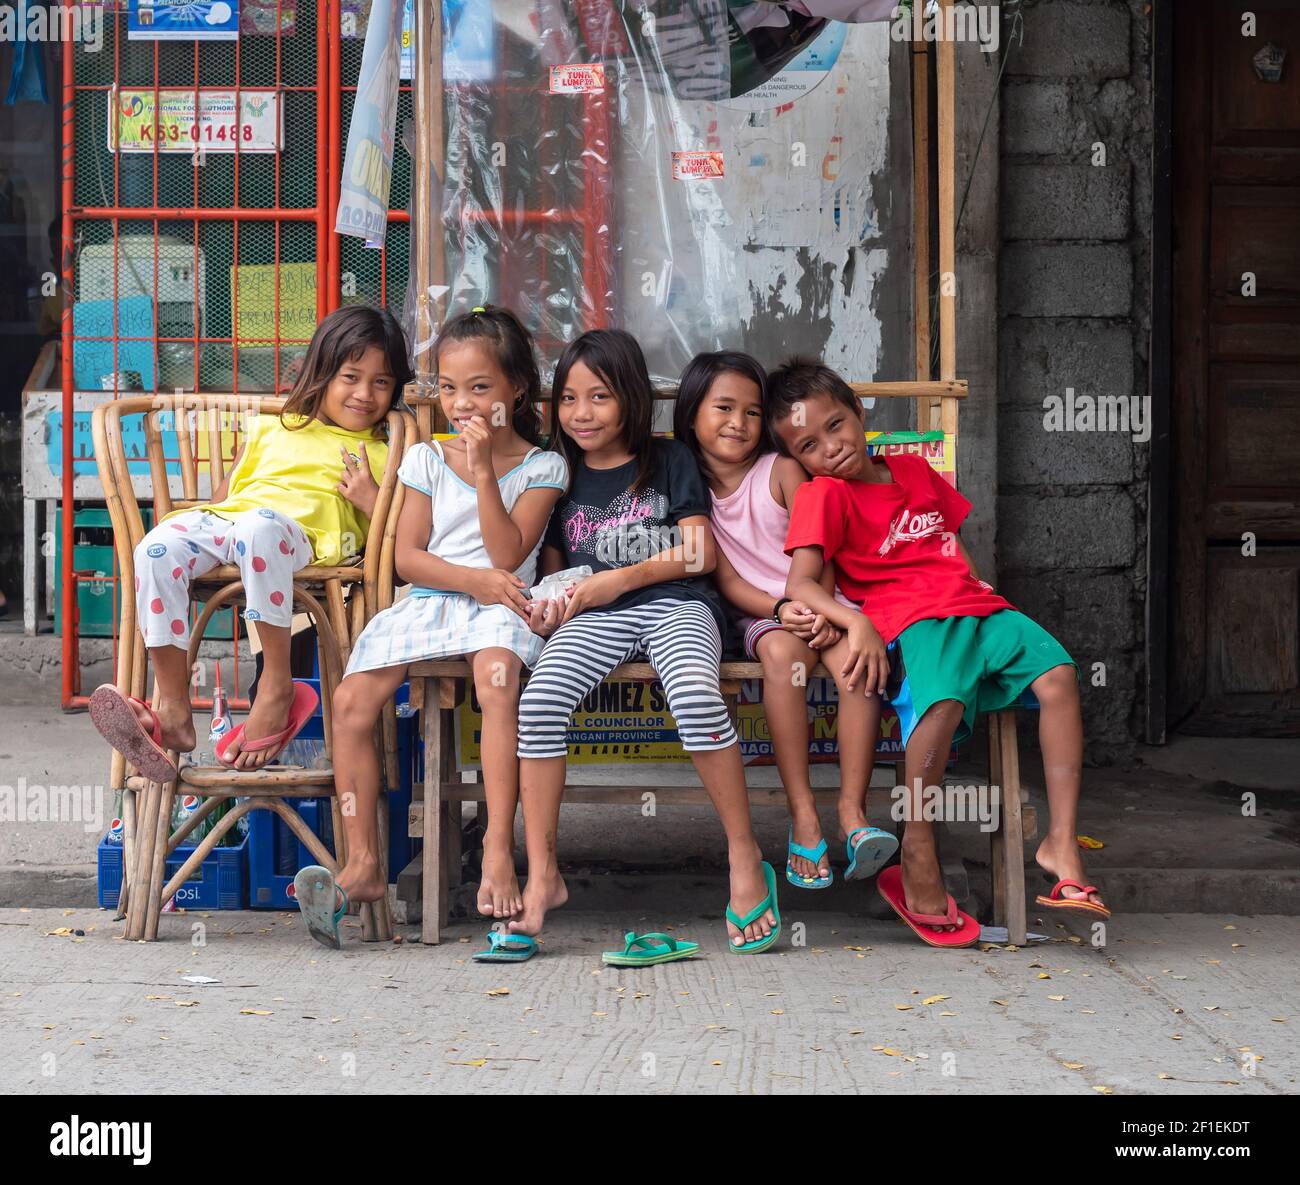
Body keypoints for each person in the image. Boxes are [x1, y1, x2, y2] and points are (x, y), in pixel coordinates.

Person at [771, 358, 1108, 947]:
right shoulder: (823, 496)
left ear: (859, 411)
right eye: (808, 445)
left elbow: (955, 547)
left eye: (835, 425)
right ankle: (917, 841)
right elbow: (800, 584)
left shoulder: (914, 469)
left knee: (1058, 676)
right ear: (797, 459)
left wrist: (983, 595)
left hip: (974, 605)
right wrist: (857, 624)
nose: (830, 447)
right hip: (910, 618)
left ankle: (1061, 841)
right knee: (943, 701)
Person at [294, 305, 568, 948]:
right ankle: (362, 864)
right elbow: (407, 556)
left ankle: (499, 849)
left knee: (498, 681)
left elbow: (506, 556)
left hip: (505, 605)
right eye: (448, 388)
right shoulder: (422, 459)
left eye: (480, 388)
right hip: (436, 597)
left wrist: (480, 475)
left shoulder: (543, 467)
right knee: (351, 700)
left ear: (516, 389)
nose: (462, 403)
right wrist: (468, 579)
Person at [508, 329, 780, 953]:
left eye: (599, 397)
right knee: (541, 700)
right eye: (569, 399)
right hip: (595, 618)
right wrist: (550, 609)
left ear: (630, 397)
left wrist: (617, 581)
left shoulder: (670, 459)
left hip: (678, 606)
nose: (582, 413)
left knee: (693, 693)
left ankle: (743, 854)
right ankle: (544, 873)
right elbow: (553, 568)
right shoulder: (560, 472)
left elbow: (698, 550)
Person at [90, 304, 409, 780]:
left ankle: (276, 687)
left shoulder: (383, 450)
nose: (364, 393)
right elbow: (226, 502)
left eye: (381, 382)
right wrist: (192, 534)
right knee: (154, 548)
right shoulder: (271, 426)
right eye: (351, 376)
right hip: (242, 526)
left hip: (306, 540)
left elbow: (402, 553)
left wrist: (370, 499)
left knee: (261, 528)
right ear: (323, 371)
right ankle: (174, 709)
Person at [673, 350, 897, 890]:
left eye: (753, 413)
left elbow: (823, 544)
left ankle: (852, 814)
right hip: (765, 613)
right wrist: (781, 611)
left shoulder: (783, 470)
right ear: (691, 414)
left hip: (827, 598)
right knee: (781, 657)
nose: (739, 423)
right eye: (724, 408)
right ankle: (803, 815)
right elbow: (727, 581)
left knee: (856, 665)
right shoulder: (688, 489)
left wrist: (823, 612)